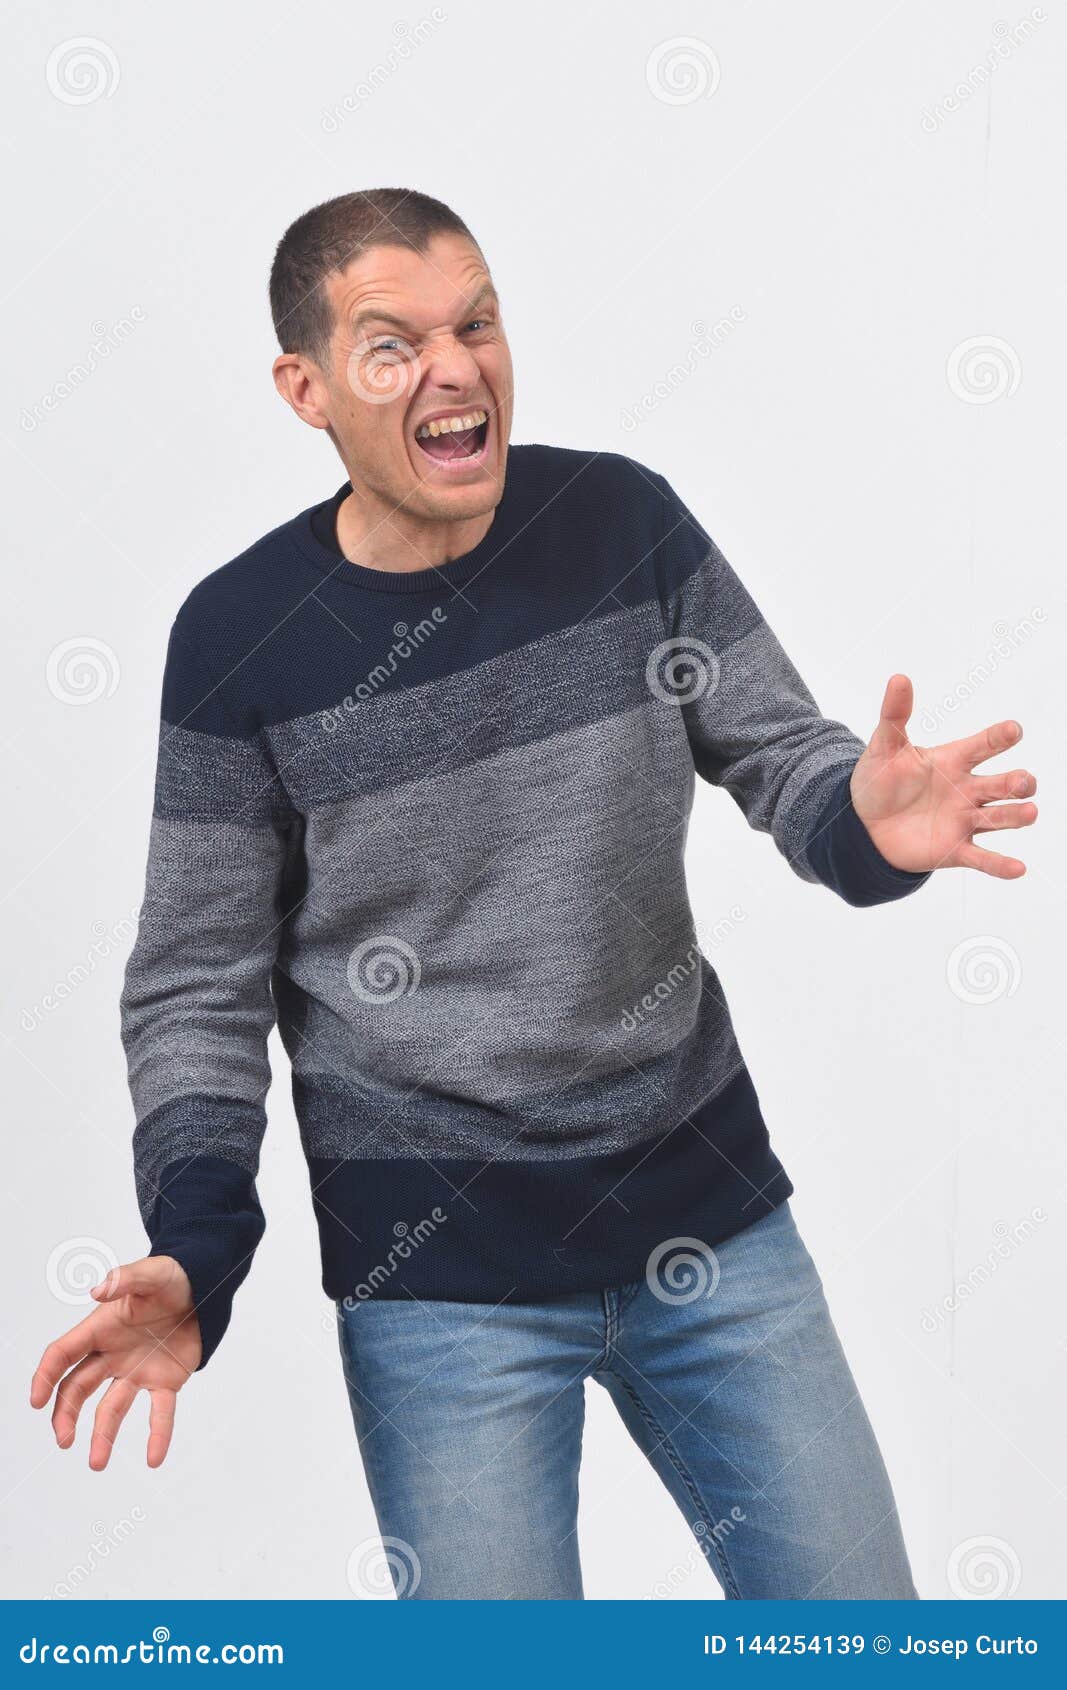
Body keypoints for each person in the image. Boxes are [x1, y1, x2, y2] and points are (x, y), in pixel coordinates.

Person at [31, 189, 1038, 1601]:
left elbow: (785, 756)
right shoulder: (240, 640)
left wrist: (862, 821)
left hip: (711, 1221)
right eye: (394, 345)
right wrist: (200, 1241)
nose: (455, 368)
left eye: (478, 322)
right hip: (443, 1284)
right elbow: (195, 982)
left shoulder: (619, 521)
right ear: (303, 387)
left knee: (862, 1638)